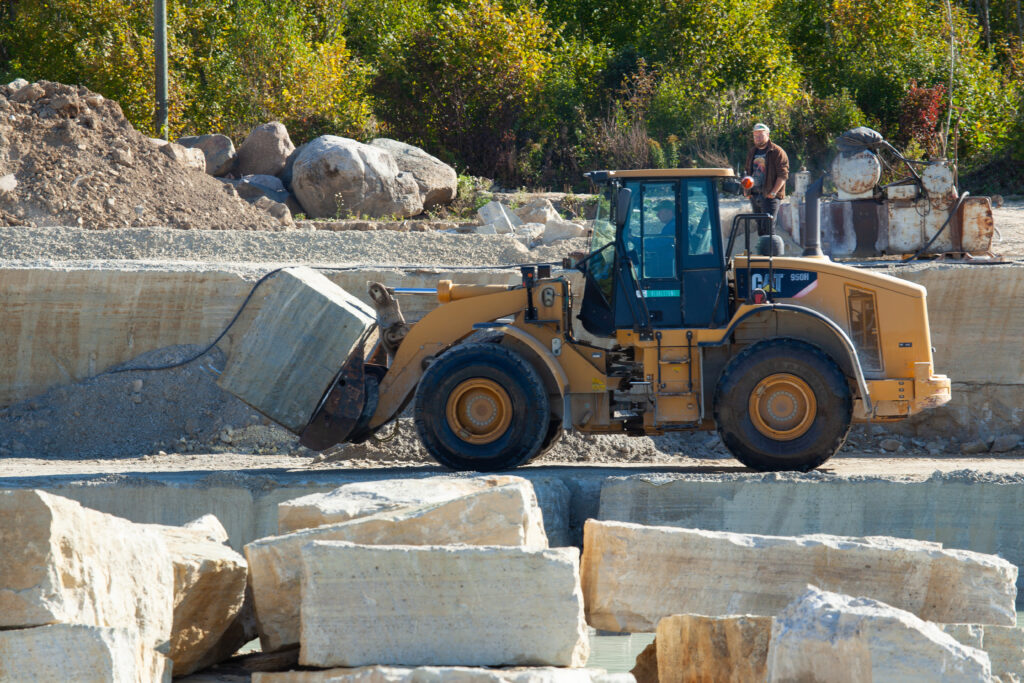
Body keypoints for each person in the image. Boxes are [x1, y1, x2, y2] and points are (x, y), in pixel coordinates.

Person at [744, 123, 789, 225]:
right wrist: (747, 191)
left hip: (770, 196)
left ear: (768, 135)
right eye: (755, 136)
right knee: (759, 228)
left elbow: (783, 175)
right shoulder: (752, 152)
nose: (758, 138)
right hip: (755, 195)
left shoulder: (777, 152)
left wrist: (773, 193)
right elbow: (747, 172)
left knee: (769, 229)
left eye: (761, 135)